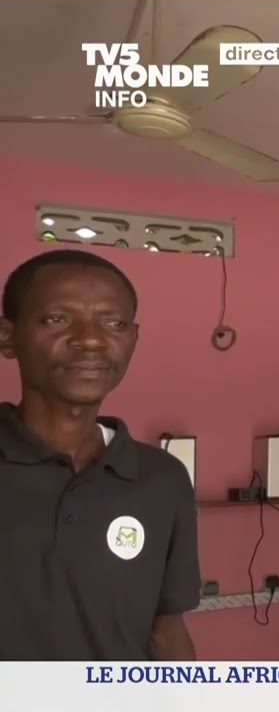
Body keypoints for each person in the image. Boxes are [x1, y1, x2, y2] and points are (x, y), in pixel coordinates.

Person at [0, 248, 201, 660]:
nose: (91, 339)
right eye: (57, 318)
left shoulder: (162, 478)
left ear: (132, 339)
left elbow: (167, 630)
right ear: (8, 336)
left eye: (114, 323)